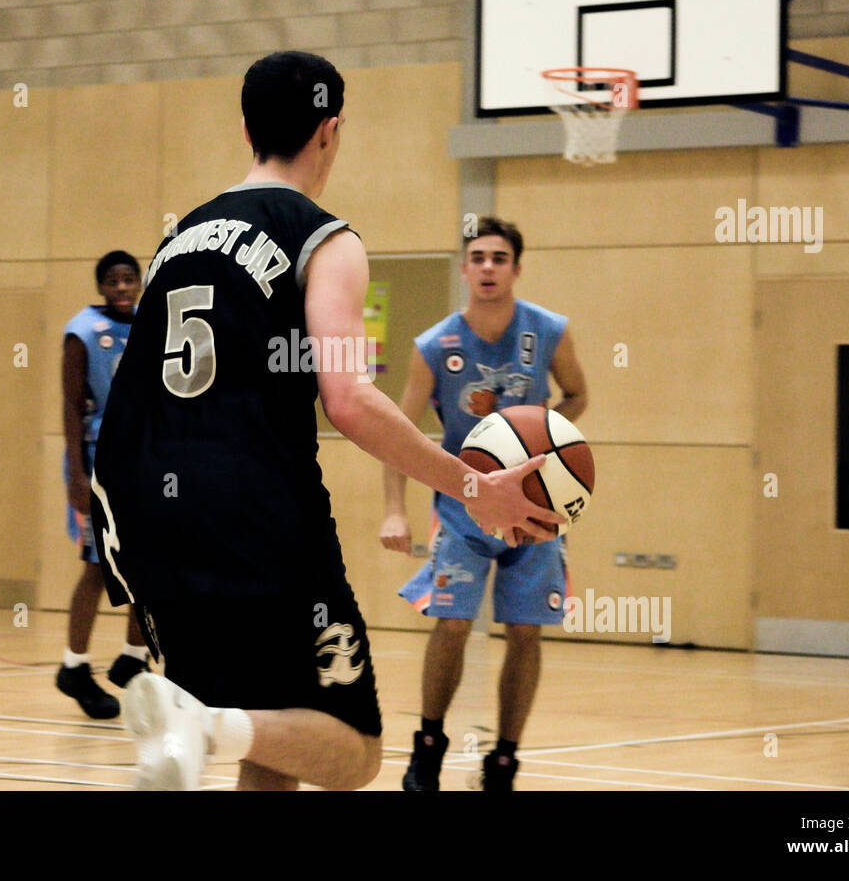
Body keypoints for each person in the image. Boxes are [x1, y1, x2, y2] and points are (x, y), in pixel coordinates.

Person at [90, 51, 562, 791]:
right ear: (331, 131)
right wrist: (473, 486)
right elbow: (348, 400)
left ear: (247, 129)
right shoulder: (324, 238)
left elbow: (133, 396)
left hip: (145, 513)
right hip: (252, 510)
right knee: (353, 749)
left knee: (272, 743)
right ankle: (201, 722)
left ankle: (202, 721)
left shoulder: (176, 241)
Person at [380, 216, 589, 791]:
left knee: (526, 632)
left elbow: (579, 392)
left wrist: (547, 434)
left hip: (535, 509)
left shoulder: (548, 330)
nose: (489, 267)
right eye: (478, 258)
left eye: (500, 258)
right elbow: (397, 431)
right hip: (462, 505)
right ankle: (427, 747)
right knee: (451, 624)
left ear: (516, 268)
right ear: (465, 268)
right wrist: (394, 508)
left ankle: (505, 759)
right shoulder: (434, 345)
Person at [56, 251, 153, 719]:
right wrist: (75, 473)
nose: (121, 287)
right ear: (101, 287)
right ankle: (74, 666)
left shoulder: (152, 326)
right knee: (98, 567)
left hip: (142, 461)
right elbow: (71, 407)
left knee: (146, 567)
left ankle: (133, 659)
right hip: (97, 461)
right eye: (112, 281)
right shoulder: (82, 332)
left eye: (128, 279)